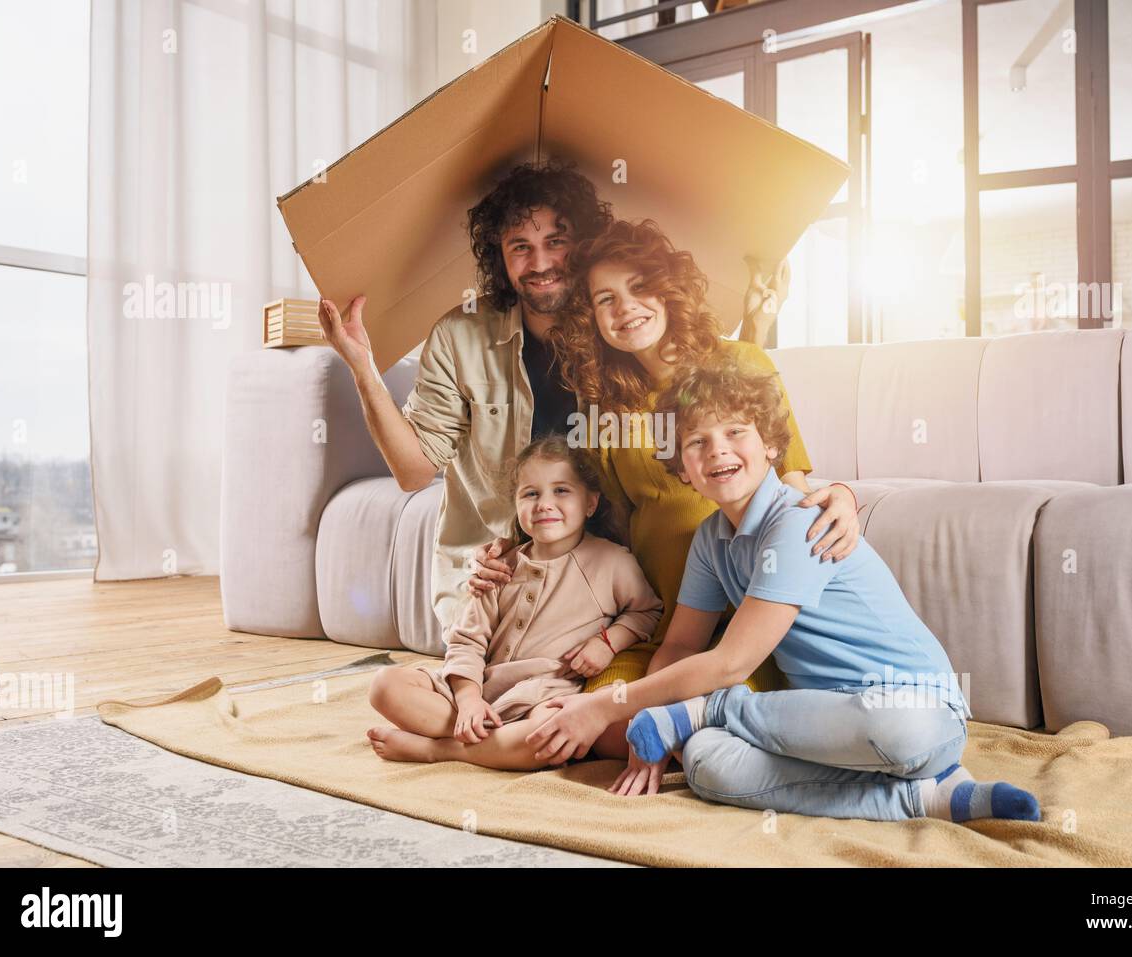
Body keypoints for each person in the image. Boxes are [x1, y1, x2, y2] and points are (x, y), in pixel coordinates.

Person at [524, 359, 1042, 825]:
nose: (717, 450)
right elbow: (680, 646)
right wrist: (645, 722)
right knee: (706, 763)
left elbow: (731, 662)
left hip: (914, 713)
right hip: (811, 724)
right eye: (696, 441)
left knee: (900, 733)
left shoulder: (797, 522)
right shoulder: (711, 538)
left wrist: (608, 707)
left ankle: (711, 711)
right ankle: (930, 799)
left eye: (735, 432)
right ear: (681, 467)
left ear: (771, 444)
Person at [316, 159, 815, 637]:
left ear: (581, 247)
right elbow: (412, 471)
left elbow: (716, 396)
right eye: (520, 247)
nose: (541, 264)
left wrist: (757, 327)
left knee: (580, 699)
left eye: (556, 242)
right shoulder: (460, 335)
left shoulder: (622, 334)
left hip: (610, 570)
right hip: (499, 567)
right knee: (501, 694)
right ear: (499, 257)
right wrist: (363, 367)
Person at [468, 219, 862, 762]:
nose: (625, 307)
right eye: (605, 299)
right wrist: (514, 549)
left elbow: (788, 484)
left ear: (670, 291)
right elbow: (599, 518)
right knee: (582, 724)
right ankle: (451, 744)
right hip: (659, 623)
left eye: (640, 287)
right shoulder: (601, 404)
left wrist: (841, 495)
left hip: (744, 624)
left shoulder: (743, 363)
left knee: (696, 736)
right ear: (591, 318)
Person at [366, 436, 661, 770]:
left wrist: (607, 643)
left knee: (548, 733)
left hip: (543, 695)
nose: (544, 504)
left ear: (590, 503)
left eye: (561, 490)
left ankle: (440, 750)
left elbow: (647, 611)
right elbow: (467, 642)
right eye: (531, 493)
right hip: (480, 688)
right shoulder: (500, 566)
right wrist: (468, 700)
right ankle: (492, 740)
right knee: (384, 686)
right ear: (516, 504)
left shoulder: (611, 562)